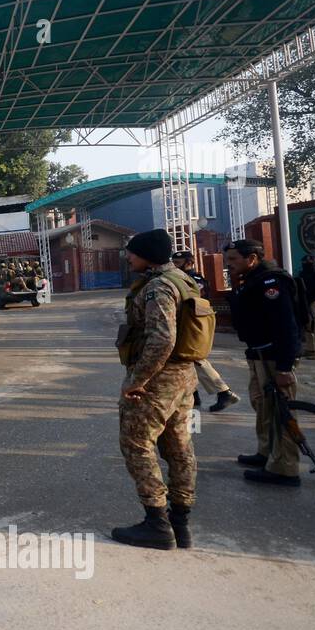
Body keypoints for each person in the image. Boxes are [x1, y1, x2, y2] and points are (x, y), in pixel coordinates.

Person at [111, 229, 198, 551]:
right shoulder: (182, 280)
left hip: (158, 381)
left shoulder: (158, 287)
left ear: (146, 254)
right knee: (179, 447)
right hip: (183, 377)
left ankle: (156, 523)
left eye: (132, 253)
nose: (128, 257)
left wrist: (138, 380)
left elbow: (163, 339)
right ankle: (181, 523)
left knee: (136, 444)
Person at [225, 239, 303, 487]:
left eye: (234, 259)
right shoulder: (252, 280)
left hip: (274, 357)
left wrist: (284, 367)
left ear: (252, 258)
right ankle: (267, 452)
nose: (229, 265)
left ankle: (285, 468)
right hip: (258, 355)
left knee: (281, 410)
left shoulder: (272, 281)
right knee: (263, 406)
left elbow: (286, 326)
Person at [172, 250, 239, 412]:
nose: (175, 266)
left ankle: (223, 391)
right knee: (184, 360)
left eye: (178, 263)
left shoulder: (194, 280)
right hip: (183, 324)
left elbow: (193, 302)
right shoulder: (179, 279)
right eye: (174, 263)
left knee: (194, 358)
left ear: (189, 263)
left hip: (193, 324)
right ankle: (193, 395)